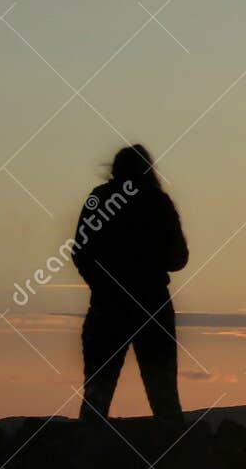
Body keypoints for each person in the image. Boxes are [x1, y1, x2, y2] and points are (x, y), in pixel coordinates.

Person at [72, 144, 189, 424]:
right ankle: (174, 460)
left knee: (97, 397)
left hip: (107, 306)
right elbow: (178, 259)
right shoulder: (158, 202)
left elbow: (80, 252)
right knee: (164, 397)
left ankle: (86, 460)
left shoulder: (99, 199)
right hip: (152, 304)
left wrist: (102, 285)